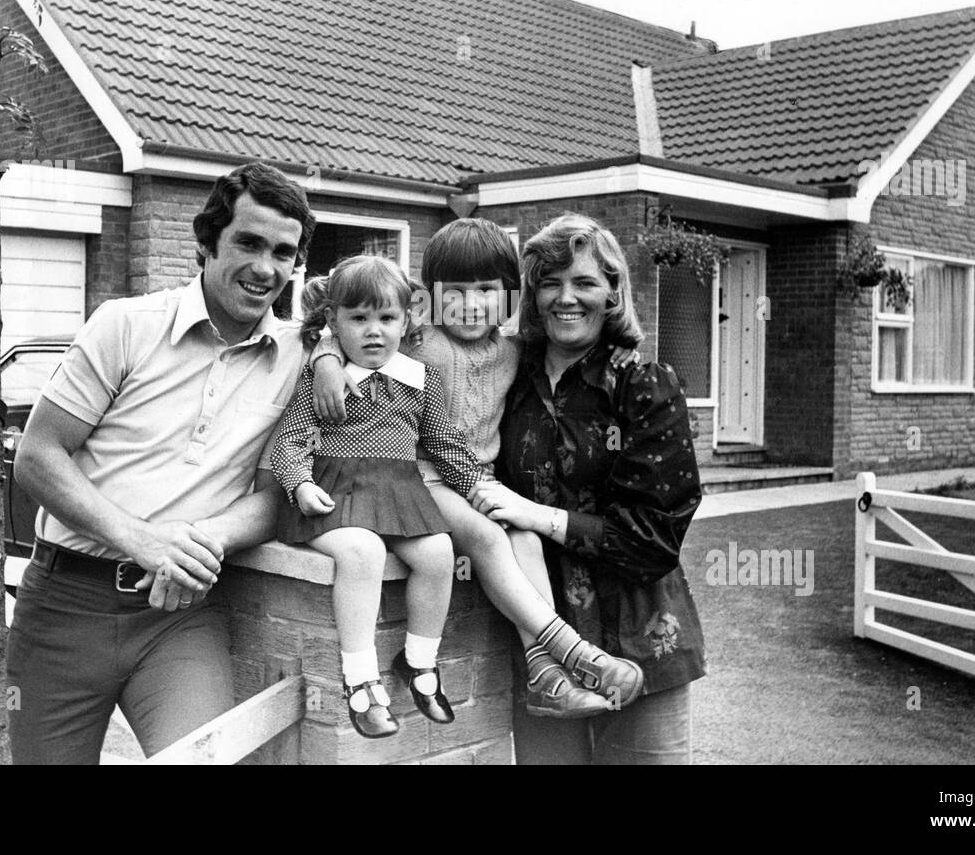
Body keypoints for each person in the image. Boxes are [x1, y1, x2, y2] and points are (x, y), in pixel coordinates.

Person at [9, 161, 315, 764]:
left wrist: (202, 541)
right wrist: (144, 541)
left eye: (284, 253)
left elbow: (279, 492)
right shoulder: (124, 325)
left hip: (182, 615)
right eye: (248, 243)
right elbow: (38, 457)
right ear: (205, 242)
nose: (265, 268)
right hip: (65, 604)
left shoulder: (301, 357)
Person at [310, 218, 648, 718]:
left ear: (512, 298)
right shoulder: (418, 342)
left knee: (526, 538)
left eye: (488, 291)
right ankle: (575, 652)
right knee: (490, 538)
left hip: (478, 487)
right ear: (427, 299)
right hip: (417, 478)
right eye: (456, 291)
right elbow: (352, 320)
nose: (470, 303)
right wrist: (325, 359)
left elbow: (578, 336)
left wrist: (623, 343)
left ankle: (543, 674)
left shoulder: (515, 352)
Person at [470, 213, 705, 764]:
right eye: (549, 283)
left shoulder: (644, 384)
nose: (565, 298)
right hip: (542, 649)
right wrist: (333, 356)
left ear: (613, 290)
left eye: (584, 282)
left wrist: (534, 514)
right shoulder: (506, 374)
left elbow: (652, 540)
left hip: (641, 640)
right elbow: (389, 336)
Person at [268, 255, 476, 738]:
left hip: (399, 492)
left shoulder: (419, 380)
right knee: (362, 552)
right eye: (358, 318)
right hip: (334, 493)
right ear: (334, 323)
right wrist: (300, 484)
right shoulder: (324, 377)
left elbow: (445, 445)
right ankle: (359, 678)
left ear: (406, 320)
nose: (374, 331)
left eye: (386, 318)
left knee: (439, 551)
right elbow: (292, 441)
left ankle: (420, 664)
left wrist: (480, 490)